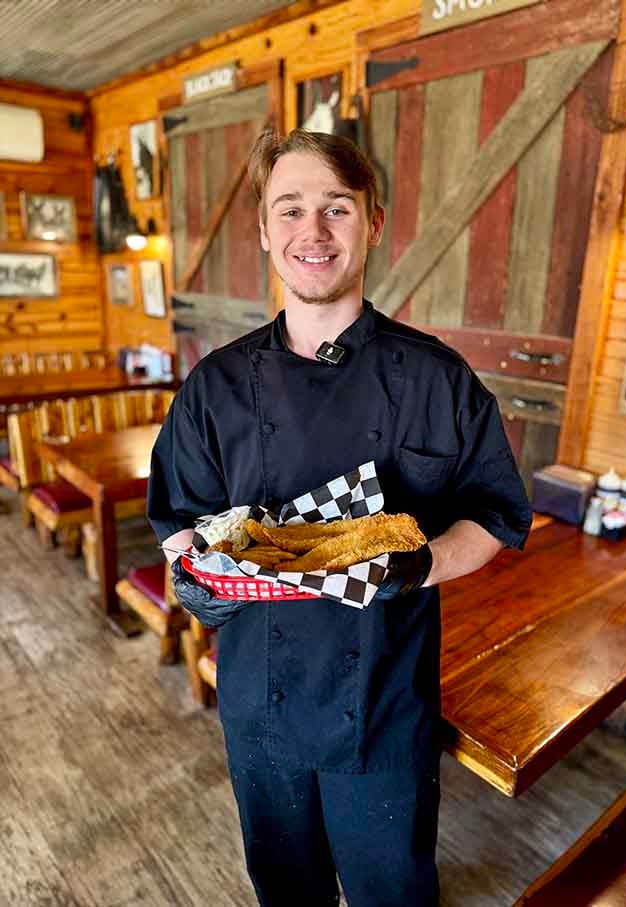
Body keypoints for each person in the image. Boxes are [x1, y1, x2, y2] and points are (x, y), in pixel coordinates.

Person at [147, 128, 532, 907]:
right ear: (263, 230)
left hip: (385, 705)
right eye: (289, 210)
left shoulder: (436, 378)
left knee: (394, 891)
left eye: (337, 209)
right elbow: (179, 523)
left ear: (374, 222)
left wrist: (420, 562)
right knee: (286, 890)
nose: (312, 231)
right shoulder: (215, 387)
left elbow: (494, 514)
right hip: (259, 703)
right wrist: (201, 577)